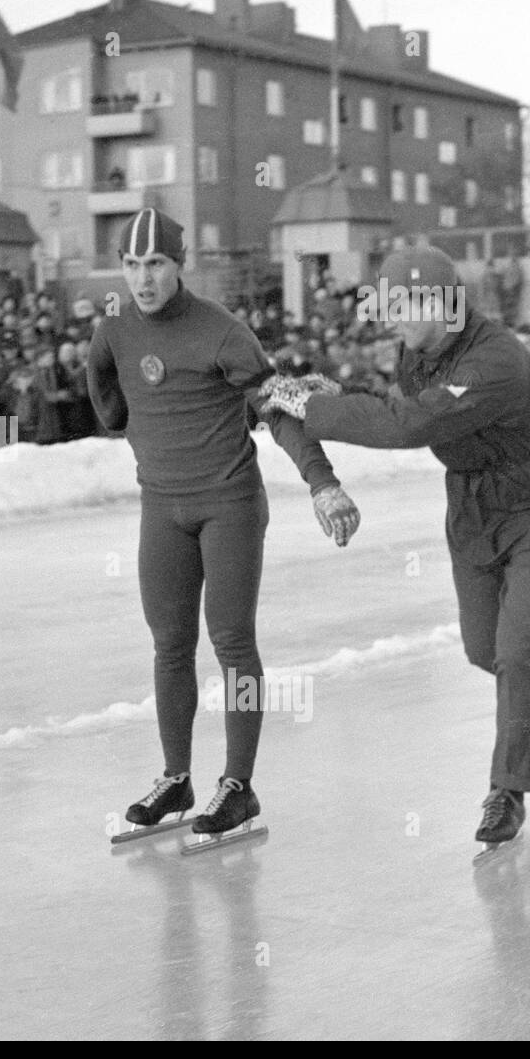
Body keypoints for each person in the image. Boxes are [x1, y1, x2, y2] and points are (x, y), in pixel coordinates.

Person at [261, 246, 530, 845]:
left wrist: (315, 407)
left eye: (402, 306)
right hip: (474, 508)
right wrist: (339, 391)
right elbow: (403, 406)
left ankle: (507, 792)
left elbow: (411, 425)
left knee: (516, 651)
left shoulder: (496, 360)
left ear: (444, 305)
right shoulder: (415, 354)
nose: (390, 318)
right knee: (483, 649)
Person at [88, 208, 359, 838]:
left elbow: (277, 409)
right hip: (162, 507)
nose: (143, 279)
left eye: (156, 263)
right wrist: (125, 422)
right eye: (132, 264)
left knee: (232, 641)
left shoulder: (221, 330)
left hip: (228, 505)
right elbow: (104, 388)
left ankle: (238, 785)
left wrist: (322, 482)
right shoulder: (114, 330)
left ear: (179, 264)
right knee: (170, 644)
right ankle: (176, 777)